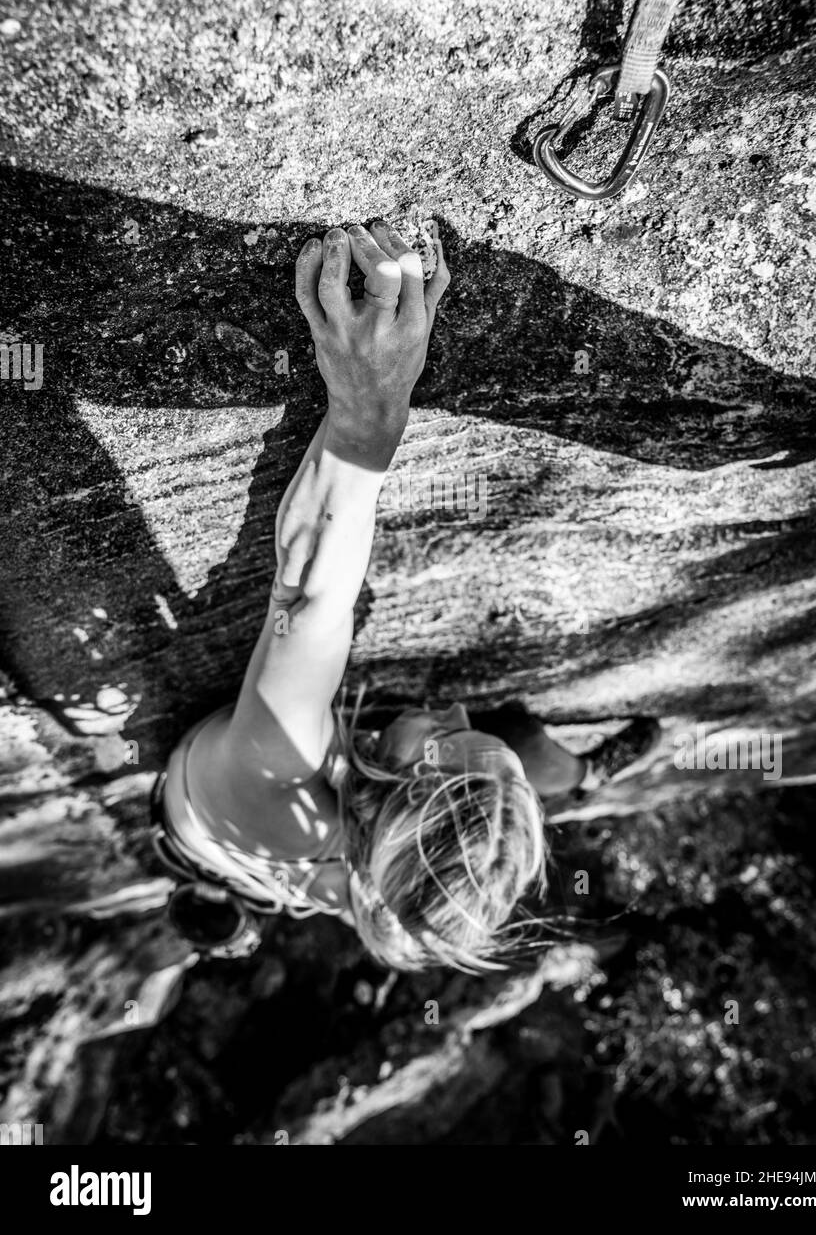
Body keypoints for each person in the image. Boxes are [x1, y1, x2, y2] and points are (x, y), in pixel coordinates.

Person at [152, 219, 648, 969]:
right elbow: (430, 911)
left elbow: (309, 600)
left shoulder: (271, 768)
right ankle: (585, 778)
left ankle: (561, 778)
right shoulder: (397, 876)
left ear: (391, 794)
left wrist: (370, 404)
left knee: (508, 744)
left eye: (446, 739)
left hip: (224, 827)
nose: (453, 707)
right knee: (518, 749)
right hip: (363, 859)